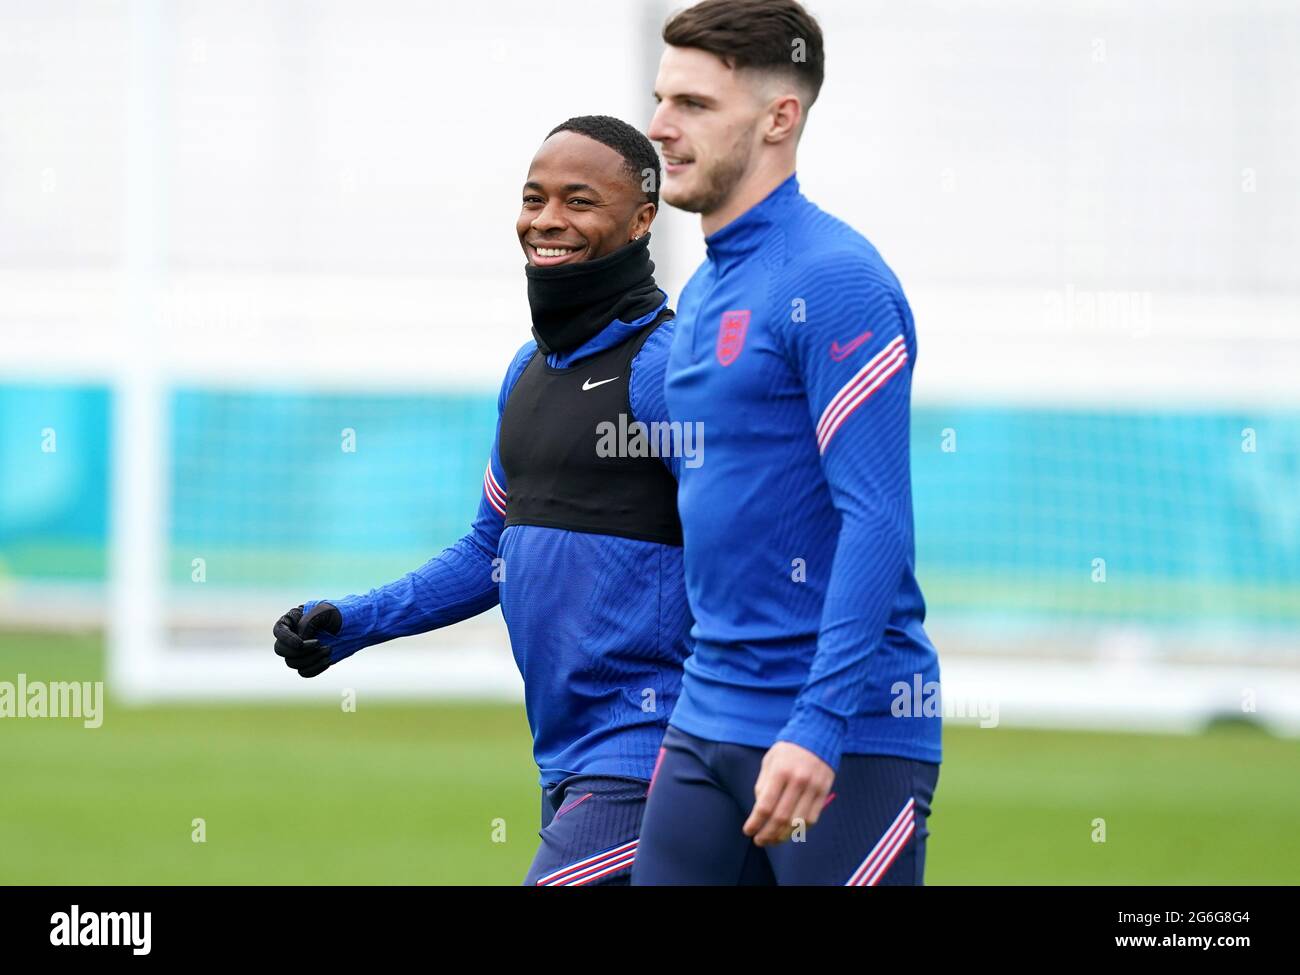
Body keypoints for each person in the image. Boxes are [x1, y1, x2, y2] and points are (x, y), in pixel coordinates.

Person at [272, 116, 692, 886]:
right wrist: (352, 623)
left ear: (641, 221)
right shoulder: (527, 372)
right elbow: (486, 553)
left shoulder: (665, 370)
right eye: (534, 198)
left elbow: (753, 552)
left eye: (579, 200)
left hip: (655, 751)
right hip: (566, 756)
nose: (547, 220)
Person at [632, 0, 942, 885]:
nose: (660, 127)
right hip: (704, 723)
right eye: (662, 100)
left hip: (844, 736)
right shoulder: (696, 299)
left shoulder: (836, 279)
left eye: (693, 105)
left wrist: (818, 724)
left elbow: (875, 519)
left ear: (780, 118)